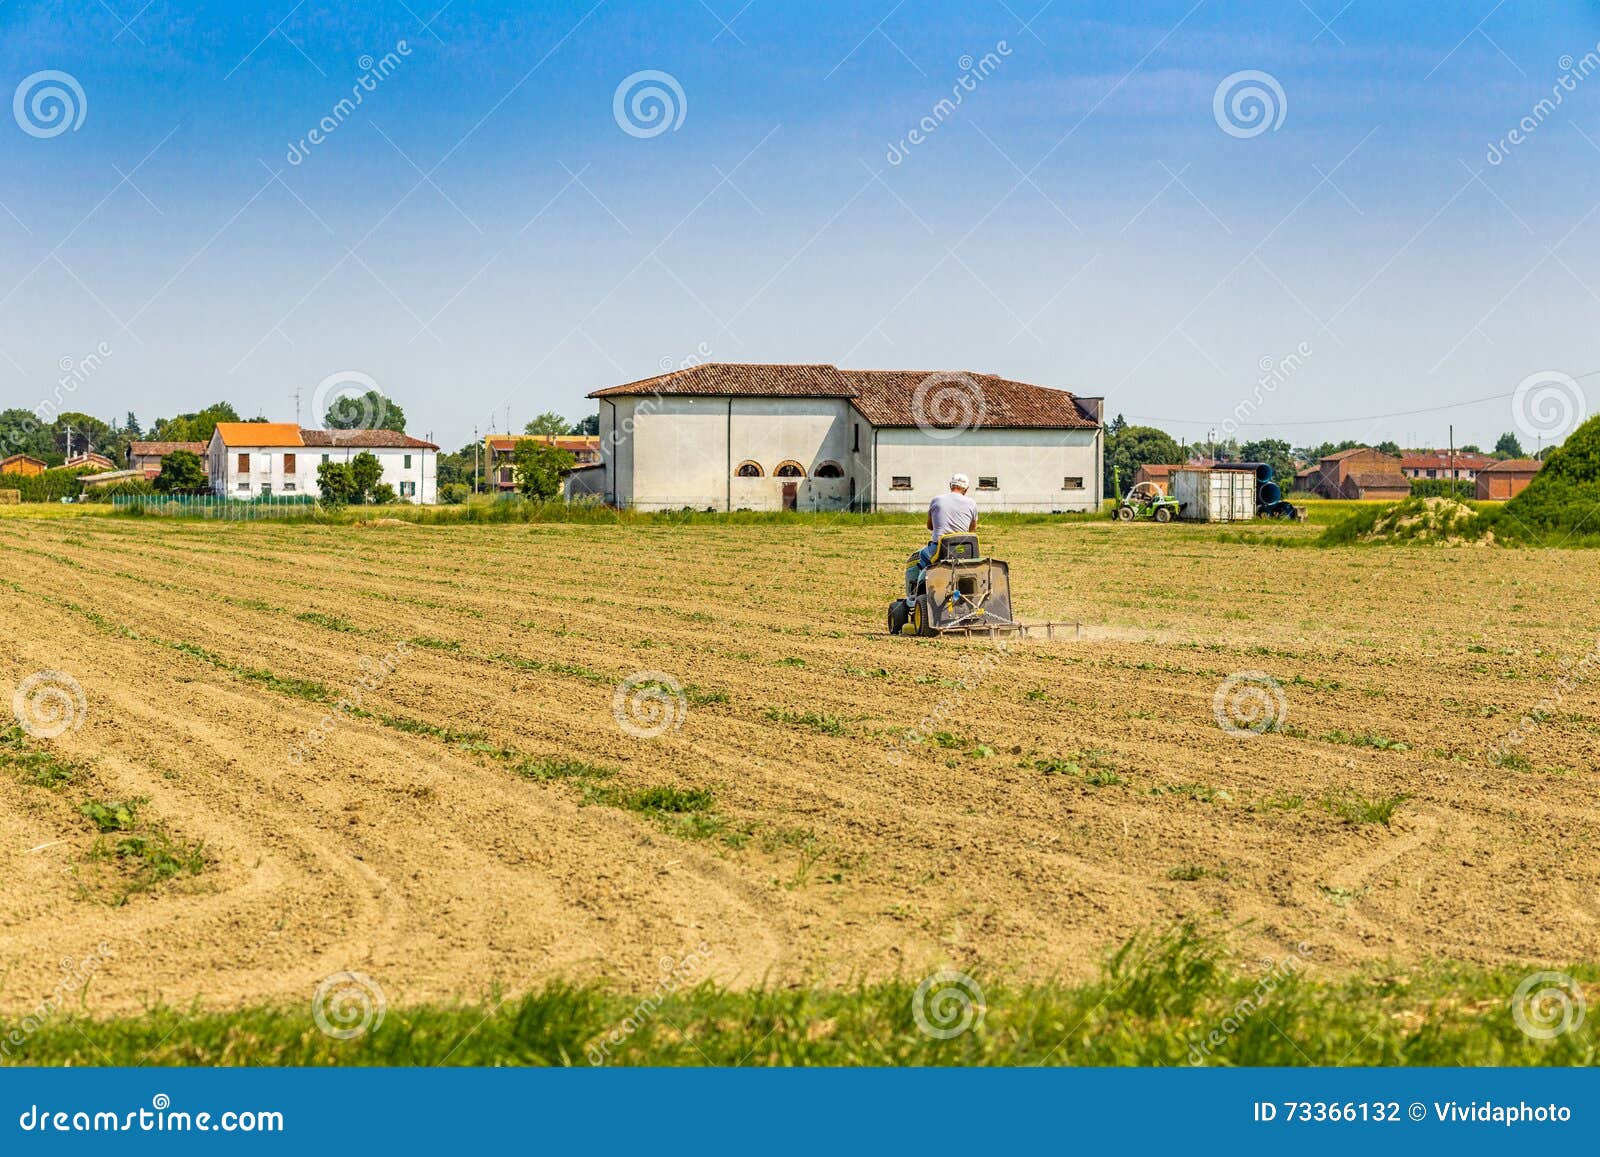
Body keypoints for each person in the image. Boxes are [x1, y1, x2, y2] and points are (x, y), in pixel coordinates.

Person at [918, 474, 979, 568]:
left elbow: (930, 526)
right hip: (964, 547)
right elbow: (972, 530)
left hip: (939, 548)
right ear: (966, 489)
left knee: (920, 556)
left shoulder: (936, 500)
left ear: (951, 485)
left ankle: (922, 577)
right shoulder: (972, 503)